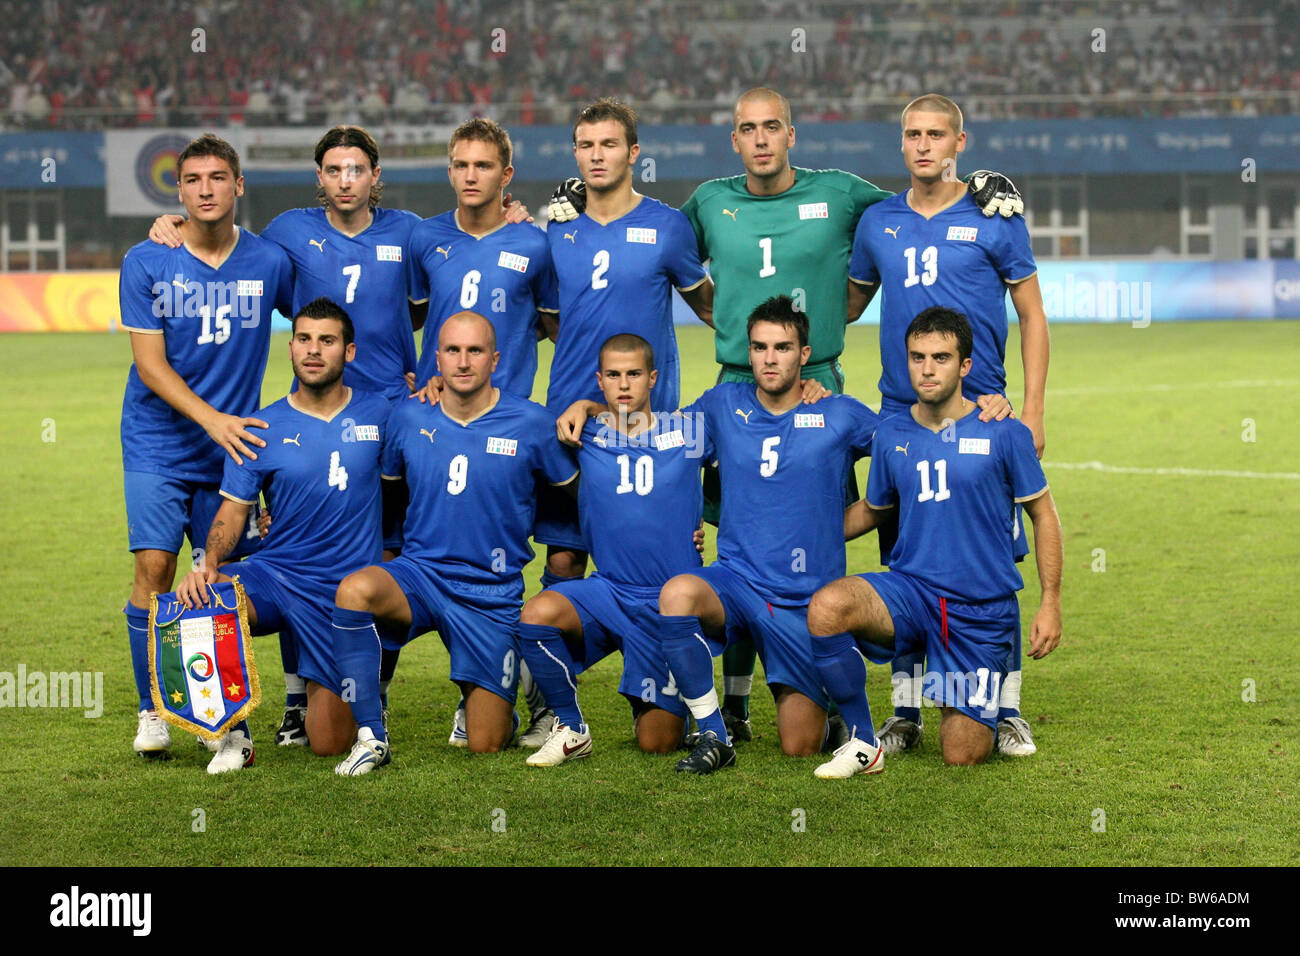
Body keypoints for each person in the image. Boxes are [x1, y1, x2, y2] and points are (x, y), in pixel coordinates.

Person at [848, 93, 1050, 756]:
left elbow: (1033, 316)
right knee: (901, 551)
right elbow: (847, 303)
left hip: (981, 408)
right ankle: (906, 709)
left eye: (936, 134)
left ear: (961, 142)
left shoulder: (995, 215)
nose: (923, 145)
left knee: (995, 559)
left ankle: (1008, 705)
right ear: (900, 142)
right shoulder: (878, 221)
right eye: (912, 134)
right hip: (899, 412)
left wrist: (1033, 406)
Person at [808, 307, 1062, 776]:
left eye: (941, 357)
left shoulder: (1003, 431)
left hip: (977, 609)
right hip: (912, 595)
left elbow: (1043, 515)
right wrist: (799, 533)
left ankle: (1001, 708)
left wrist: (1051, 601)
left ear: (965, 366)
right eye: (918, 357)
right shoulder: (892, 434)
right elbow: (873, 509)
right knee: (827, 607)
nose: (927, 369)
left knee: (961, 754)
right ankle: (865, 742)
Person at [330, 311, 578, 775]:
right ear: (437, 358)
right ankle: (371, 735)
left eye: (475, 351)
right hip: (420, 576)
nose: (463, 362)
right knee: (354, 592)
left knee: (486, 745)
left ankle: (492, 704)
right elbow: (386, 499)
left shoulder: (531, 423)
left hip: (490, 594)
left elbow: (580, 494)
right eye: (452, 351)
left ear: (495, 359)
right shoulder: (408, 416)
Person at [119, 133, 293, 760]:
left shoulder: (270, 262)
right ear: (180, 190)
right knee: (156, 570)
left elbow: (320, 327)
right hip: (159, 442)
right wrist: (213, 419)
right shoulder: (147, 260)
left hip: (234, 447)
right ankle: (151, 710)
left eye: (219, 177)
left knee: (218, 577)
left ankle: (228, 717)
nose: (206, 189)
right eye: (193, 180)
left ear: (238, 186)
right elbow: (150, 366)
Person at [656, 295, 878, 773]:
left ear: (804, 353)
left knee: (800, 746)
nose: (770, 358)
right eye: (760, 347)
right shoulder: (721, 405)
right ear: (748, 352)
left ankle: (833, 697)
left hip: (803, 600)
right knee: (677, 594)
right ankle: (715, 733)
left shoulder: (839, 413)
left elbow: (909, 449)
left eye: (782, 347)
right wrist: (594, 409)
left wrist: (852, 521)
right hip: (736, 583)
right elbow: (656, 443)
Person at [174, 298, 388, 772]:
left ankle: (327, 696)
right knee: (204, 601)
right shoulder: (262, 427)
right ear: (290, 348)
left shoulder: (382, 414)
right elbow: (232, 515)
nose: (314, 351)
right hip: (279, 577)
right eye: (304, 340)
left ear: (348, 352)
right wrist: (205, 566)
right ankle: (233, 735)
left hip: (345, 595)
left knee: (329, 742)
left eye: (327, 341)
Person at [406, 118, 561, 750]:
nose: (471, 177)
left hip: (513, 426)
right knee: (440, 554)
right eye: (461, 165)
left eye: (484, 166)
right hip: (442, 424)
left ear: (506, 174)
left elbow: (552, 324)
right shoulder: (425, 239)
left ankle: (543, 692)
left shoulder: (534, 245)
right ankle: (477, 684)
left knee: (524, 559)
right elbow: (414, 320)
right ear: (450, 171)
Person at [535, 97, 715, 594]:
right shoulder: (557, 229)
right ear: (574, 154)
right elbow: (550, 321)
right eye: (586, 145)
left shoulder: (668, 226)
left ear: (633, 152)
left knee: (659, 548)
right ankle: (549, 666)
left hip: (648, 420)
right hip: (569, 415)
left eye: (609, 144)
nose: (597, 155)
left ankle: (668, 665)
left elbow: (710, 309)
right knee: (567, 554)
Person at [521, 333, 707, 766]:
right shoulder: (584, 435)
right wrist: (586, 409)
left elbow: (742, 462)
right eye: (614, 375)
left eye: (635, 374)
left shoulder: (690, 431)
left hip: (667, 604)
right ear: (599, 380)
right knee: (536, 615)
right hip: (608, 594)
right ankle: (571, 726)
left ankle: (662, 694)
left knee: (657, 744)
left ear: (653, 378)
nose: (624, 384)